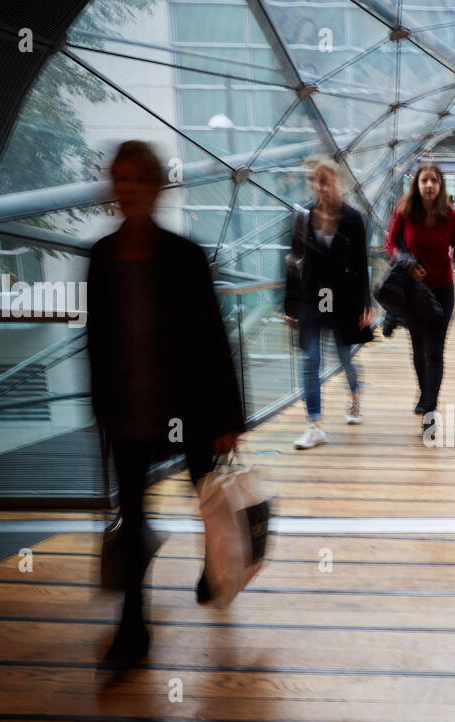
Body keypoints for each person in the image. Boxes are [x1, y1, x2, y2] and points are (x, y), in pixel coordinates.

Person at [86, 140, 245, 671]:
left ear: (155, 186)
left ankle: (212, 568)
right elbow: (97, 339)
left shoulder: (185, 257)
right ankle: (134, 624)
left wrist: (228, 418)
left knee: (208, 501)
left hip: (189, 407)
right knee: (132, 520)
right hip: (129, 414)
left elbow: (213, 339)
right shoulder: (102, 258)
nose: (126, 188)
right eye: (119, 178)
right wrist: (101, 405)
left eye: (137, 178)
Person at [283, 156, 374, 450]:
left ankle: (354, 396)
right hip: (311, 298)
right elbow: (293, 262)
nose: (320, 187)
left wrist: (366, 303)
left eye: (326, 181)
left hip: (342, 299)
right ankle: (315, 425)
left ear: (337, 183)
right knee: (311, 360)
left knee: (344, 355)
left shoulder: (353, 219)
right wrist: (290, 305)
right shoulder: (303, 218)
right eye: (315, 181)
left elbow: (361, 264)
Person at [384, 163, 455, 439]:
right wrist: (405, 263)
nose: (429, 185)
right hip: (413, 291)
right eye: (424, 180)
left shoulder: (452, 216)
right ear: (417, 184)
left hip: (442, 291)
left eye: (434, 180)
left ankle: (430, 412)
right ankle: (424, 394)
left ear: (440, 185)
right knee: (417, 351)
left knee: (434, 352)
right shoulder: (405, 210)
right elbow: (391, 242)